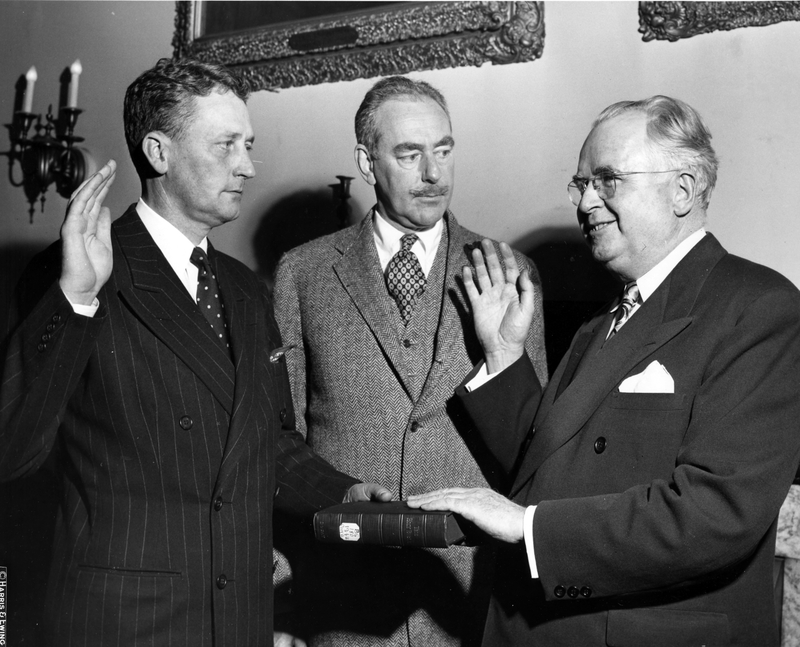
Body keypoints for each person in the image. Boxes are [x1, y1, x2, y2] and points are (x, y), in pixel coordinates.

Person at [0, 57, 390, 646]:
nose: (249, 166)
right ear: (159, 153)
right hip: (123, 623)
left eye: (249, 144)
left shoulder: (245, 290)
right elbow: (12, 450)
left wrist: (341, 492)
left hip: (235, 619)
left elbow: (270, 443)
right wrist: (77, 297)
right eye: (227, 145)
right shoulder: (76, 271)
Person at [408, 95, 800, 646]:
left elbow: (717, 513)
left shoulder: (759, 306)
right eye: (582, 184)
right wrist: (503, 357)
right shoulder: (603, 322)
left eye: (608, 180)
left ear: (682, 190)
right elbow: (547, 467)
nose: (586, 201)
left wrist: (528, 527)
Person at [272, 75, 547, 646]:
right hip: (340, 606)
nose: (434, 175)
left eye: (444, 151)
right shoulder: (303, 274)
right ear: (366, 163)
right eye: (410, 154)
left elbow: (537, 453)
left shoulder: (507, 271)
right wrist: (282, 605)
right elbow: (281, 447)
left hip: (464, 602)